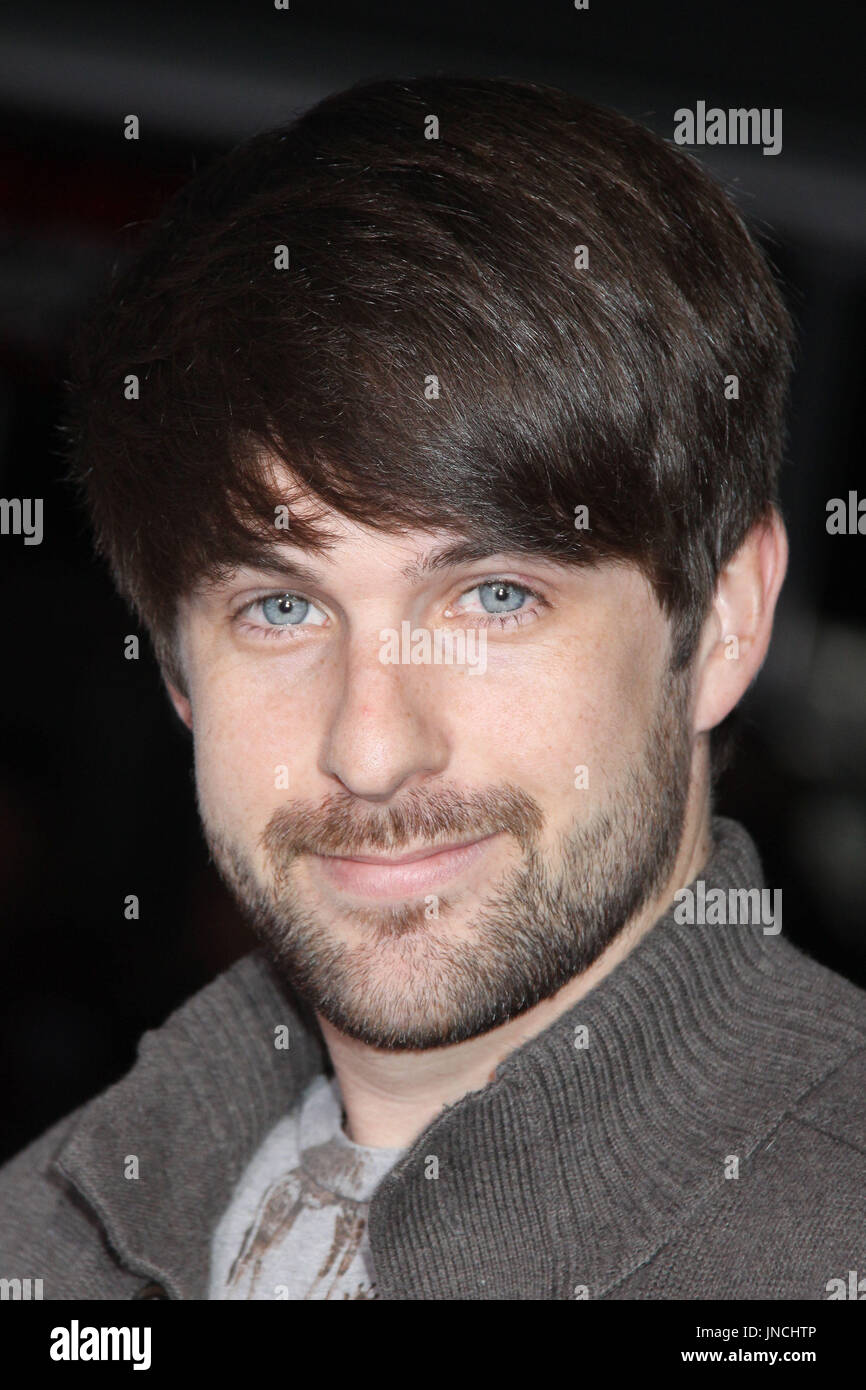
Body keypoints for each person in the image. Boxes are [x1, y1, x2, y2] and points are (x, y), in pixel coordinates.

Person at [1, 76, 863, 1302]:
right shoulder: (49, 1234)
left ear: (722, 619)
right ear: (178, 667)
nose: (370, 745)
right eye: (282, 609)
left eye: (491, 597)